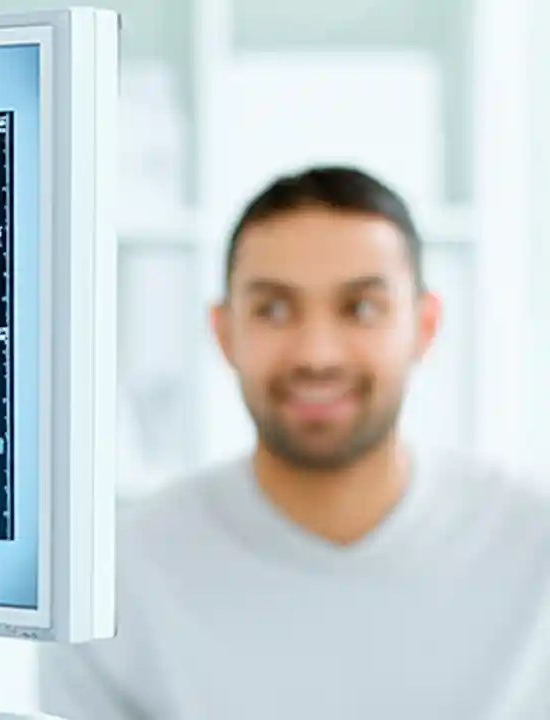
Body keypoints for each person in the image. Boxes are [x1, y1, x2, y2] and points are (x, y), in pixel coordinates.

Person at [38, 166, 550, 719]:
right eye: (274, 310)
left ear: (423, 326)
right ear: (224, 331)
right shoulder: (113, 581)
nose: (317, 355)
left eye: (361, 308)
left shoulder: (534, 549)